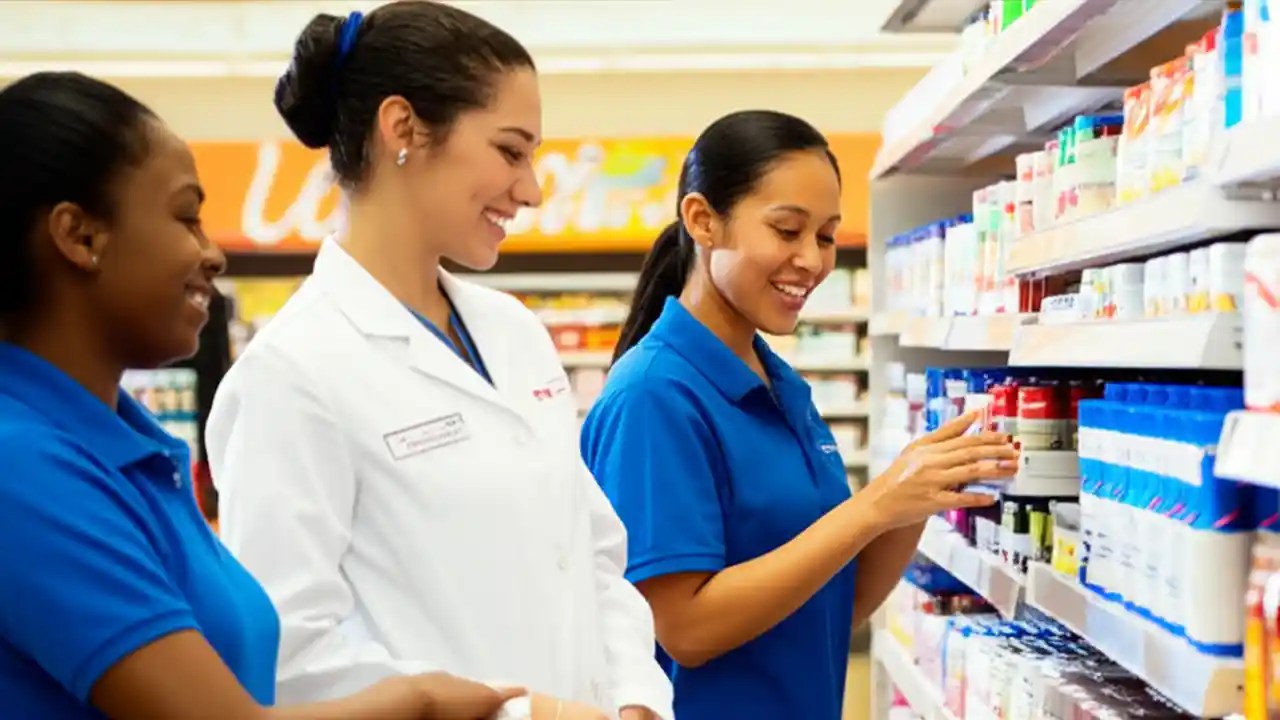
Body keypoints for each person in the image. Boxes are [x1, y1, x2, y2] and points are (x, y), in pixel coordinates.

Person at [0, 71, 526, 720]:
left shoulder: (118, 450)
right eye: (186, 216)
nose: (212, 253)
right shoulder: (24, 469)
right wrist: (415, 699)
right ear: (80, 237)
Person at [204, 4, 672, 720]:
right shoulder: (292, 375)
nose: (533, 188)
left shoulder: (513, 333)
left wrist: (636, 699)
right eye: (511, 151)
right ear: (404, 129)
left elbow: (591, 553)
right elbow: (294, 656)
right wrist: (526, 715)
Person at [580, 110, 1020, 720]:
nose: (812, 260)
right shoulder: (655, 396)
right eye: (787, 230)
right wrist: (873, 506)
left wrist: (922, 494)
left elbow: (835, 603)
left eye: (826, 235)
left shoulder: (782, 385)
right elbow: (684, 629)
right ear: (703, 220)